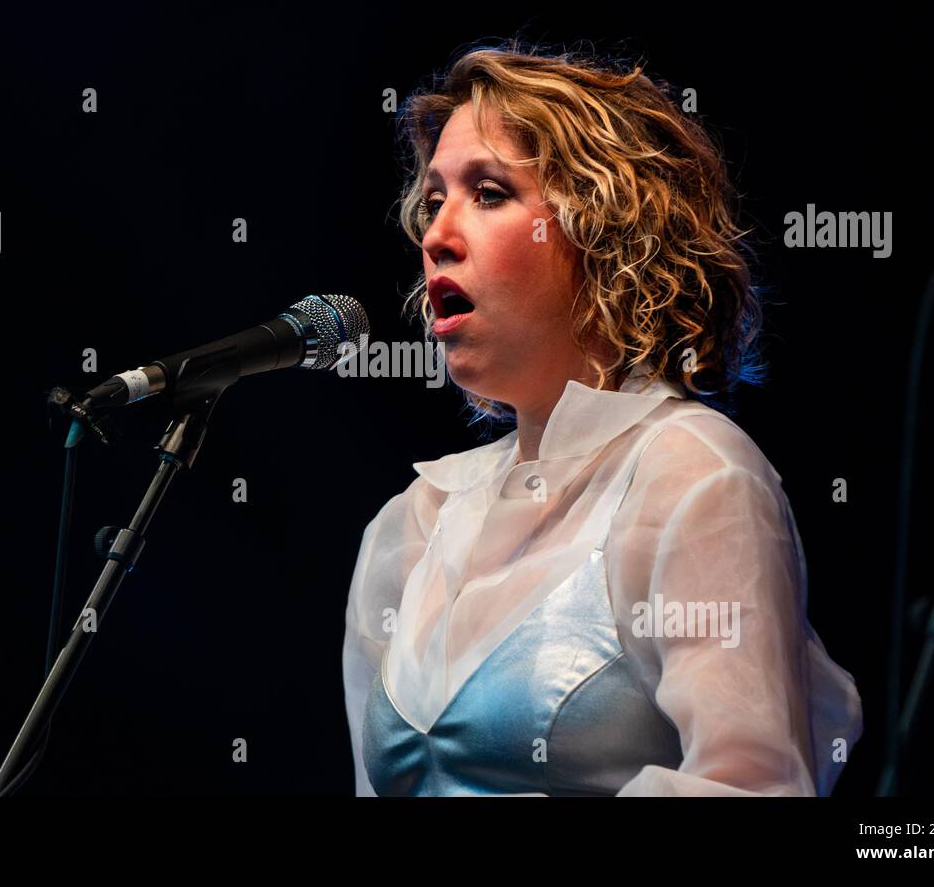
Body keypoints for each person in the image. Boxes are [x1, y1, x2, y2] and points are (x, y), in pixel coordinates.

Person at [341, 40, 863, 796]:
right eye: (432, 200)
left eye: (488, 193)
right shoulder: (411, 526)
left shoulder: (692, 473)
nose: (435, 235)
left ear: (603, 232)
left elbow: (753, 787)